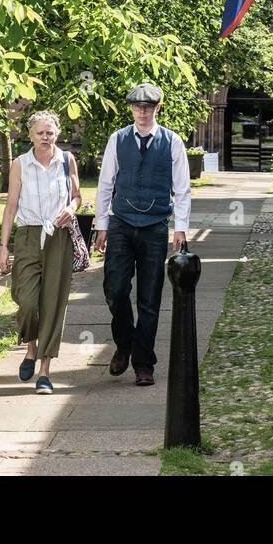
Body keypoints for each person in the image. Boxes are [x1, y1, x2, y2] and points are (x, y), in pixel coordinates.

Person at [94, 81, 190, 386]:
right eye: (137, 106)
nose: (142, 112)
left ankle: (143, 362)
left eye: (148, 107)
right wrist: (101, 225)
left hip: (155, 225)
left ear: (158, 108)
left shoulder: (172, 142)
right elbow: (106, 183)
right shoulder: (117, 139)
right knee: (116, 289)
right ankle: (125, 343)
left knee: (150, 297)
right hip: (121, 221)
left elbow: (183, 188)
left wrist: (181, 228)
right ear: (132, 109)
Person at [0, 110, 81, 394]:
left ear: (57, 133)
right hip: (29, 235)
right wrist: (3, 248)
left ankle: (44, 371)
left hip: (59, 237)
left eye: (50, 133)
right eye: (40, 133)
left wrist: (71, 209)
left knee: (53, 304)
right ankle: (30, 347)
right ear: (30, 135)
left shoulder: (67, 160)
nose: (45, 138)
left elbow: (77, 196)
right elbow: (10, 206)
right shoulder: (21, 164)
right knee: (27, 301)